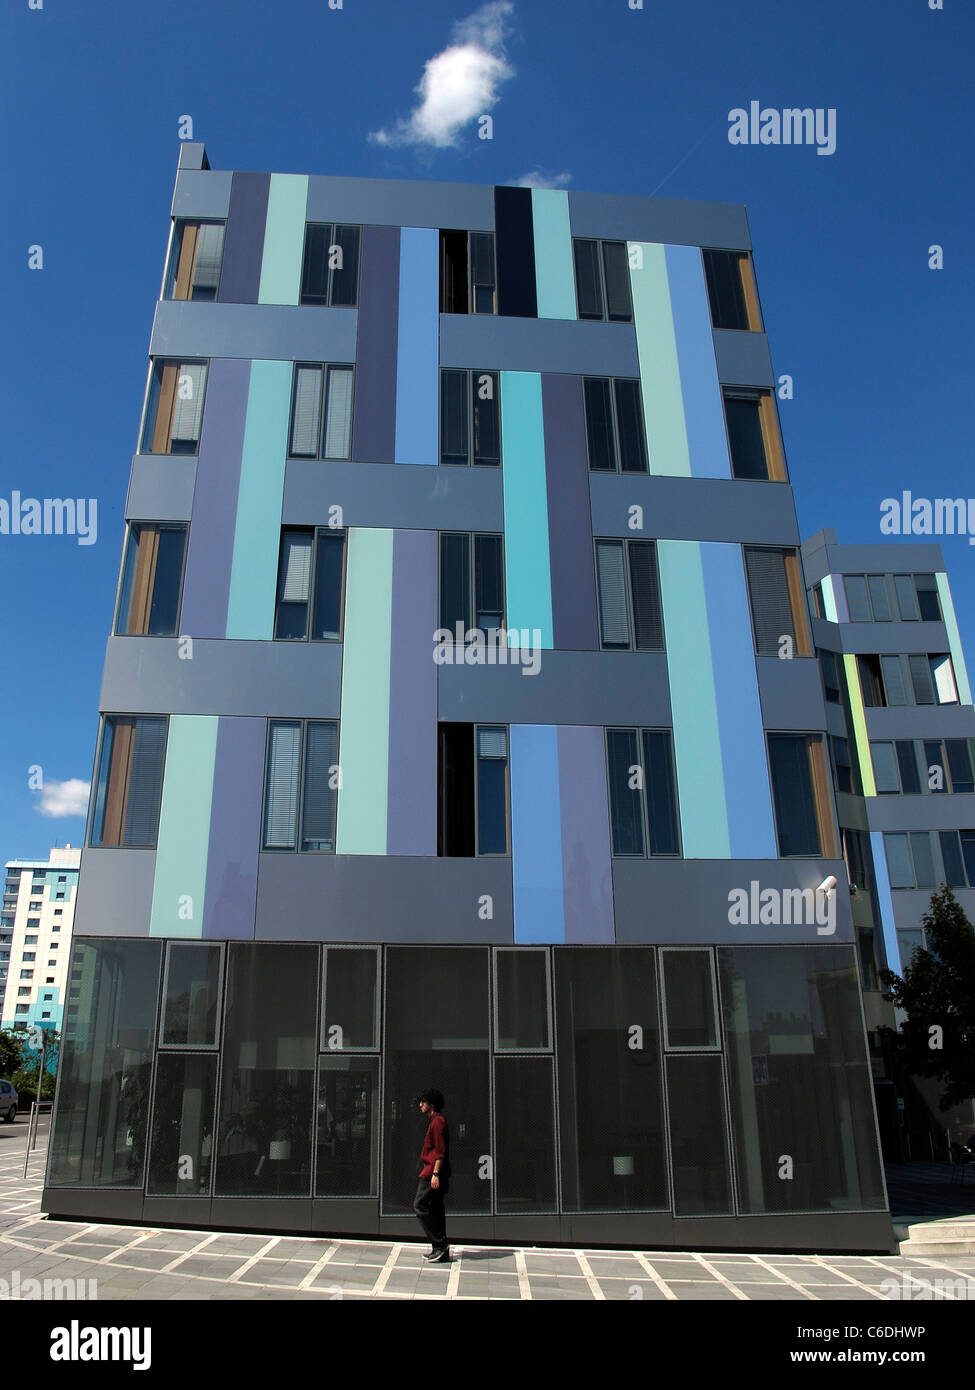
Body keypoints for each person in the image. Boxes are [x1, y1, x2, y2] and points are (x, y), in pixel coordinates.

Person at [413, 1089, 450, 1262]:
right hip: (432, 1171)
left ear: (432, 1104)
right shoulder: (433, 1121)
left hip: (431, 1172)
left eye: (423, 1102)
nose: (420, 1105)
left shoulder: (437, 1122)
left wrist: (435, 1173)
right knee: (435, 1208)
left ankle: (440, 1244)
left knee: (419, 1205)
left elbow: (440, 1151)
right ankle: (440, 1249)